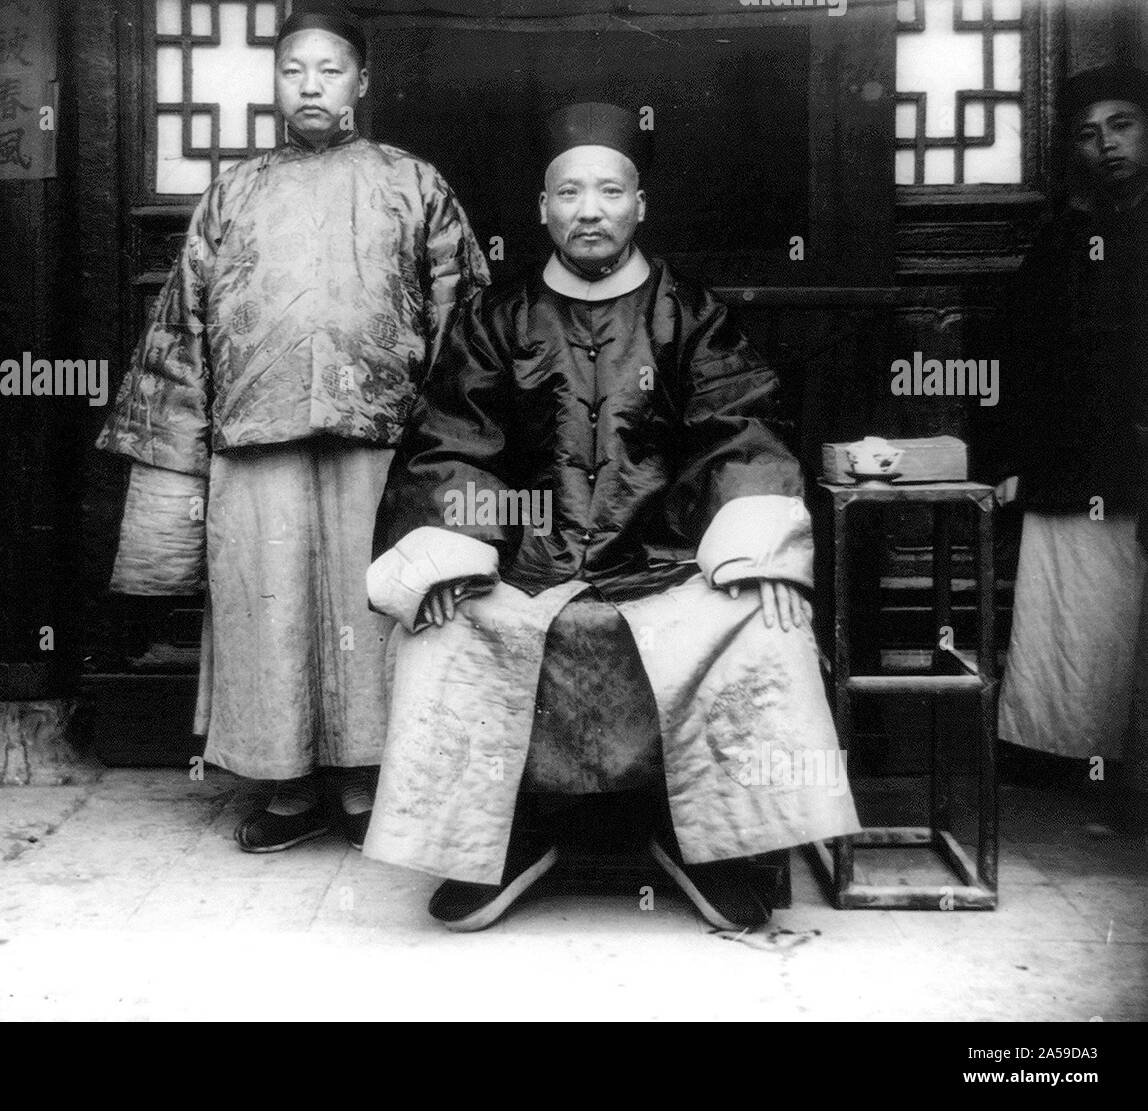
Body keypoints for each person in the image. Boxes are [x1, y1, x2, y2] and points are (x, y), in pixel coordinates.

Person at [363, 102, 860, 931]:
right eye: (568, 193)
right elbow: (454, 445)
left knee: (762, 623)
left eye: (609, 191)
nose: (588, 210)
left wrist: (755, 550)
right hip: (525, 564)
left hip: (661, 563)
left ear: (640, 205)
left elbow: (739, 431)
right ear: (542, 209)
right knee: (441, 626)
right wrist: (453, 552)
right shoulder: (495, 321)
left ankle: (719, 837)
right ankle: (501, 837)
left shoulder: (693, 317)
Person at [95, 4, 489, 852]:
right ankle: (286, 788)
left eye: (330, 70)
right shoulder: (233, 191)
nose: (311, 85)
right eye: (293, 70)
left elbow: (466, 319)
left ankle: (363, 781)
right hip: (255, 441)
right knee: (266, 609)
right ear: (275, 84)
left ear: (361, 83)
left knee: (370, 607)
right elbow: (184, 332)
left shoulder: (414, 183)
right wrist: (179, 461)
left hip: (382, 443)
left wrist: (447, 444)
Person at [981, 65, 1148, 835]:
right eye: (1089, 133)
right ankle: (1076, 759)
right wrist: (1017, 454)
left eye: (1122, 125)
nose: (1107, 145)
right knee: (1083, 617)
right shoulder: (1062, 240)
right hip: (1079, 456)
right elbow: (1026, 354)